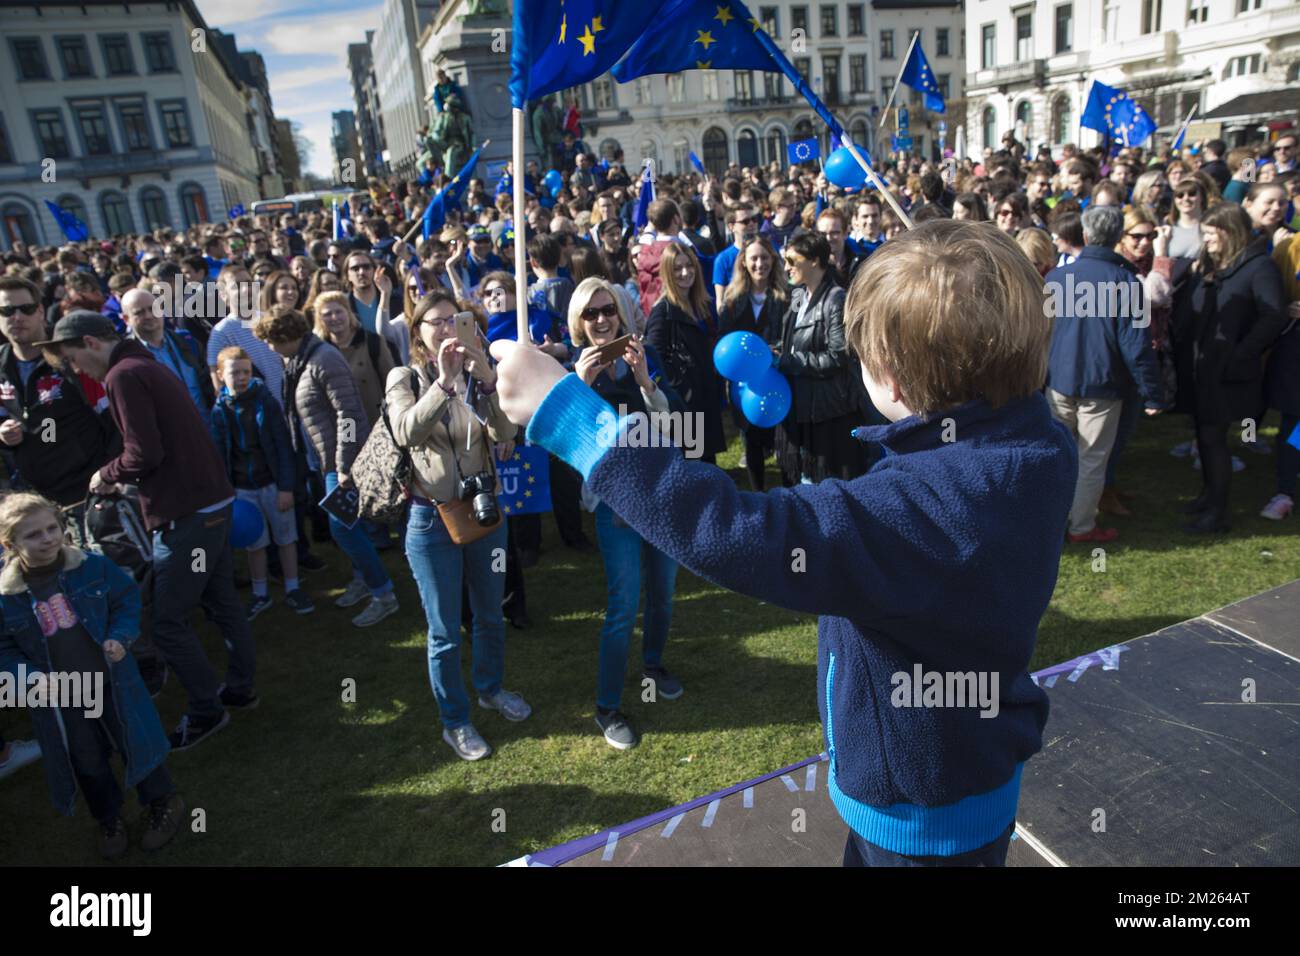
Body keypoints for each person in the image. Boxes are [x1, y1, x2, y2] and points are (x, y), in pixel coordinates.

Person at [488, 219, 1079, 867]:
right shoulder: (1038, 444)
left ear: (895, 380)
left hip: (917, 820)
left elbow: (739, 533)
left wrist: (569, 416)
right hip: (969, 783)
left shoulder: (917, 509)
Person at [41, 312, 257, 751]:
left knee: (166, 620)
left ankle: (206, 711)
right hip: (210, 503)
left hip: (187, 512)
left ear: (90, 341)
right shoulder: (143, 364)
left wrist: (106, 474)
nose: (76, 369)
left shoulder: (124, 374)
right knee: (220, 601)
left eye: (74, 358)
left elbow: (143, 453)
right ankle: (238, 687)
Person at [384, 290, 530, 761]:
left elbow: (507, 433)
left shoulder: (477, 376)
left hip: (482, 509)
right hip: (430, 519)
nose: (447, 329)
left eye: (455, 320)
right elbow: (405, 430)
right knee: (445, 629)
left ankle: (490, 688)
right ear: (419, 334)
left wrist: (485, 379)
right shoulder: (403, 376)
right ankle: (455, 720)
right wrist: (444, 384)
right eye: (436, 323)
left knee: (490, 612)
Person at [0, 492, 184, 857]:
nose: (48, 538)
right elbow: (3, 650)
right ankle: (108, 816)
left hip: (113, 682)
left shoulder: (92, 566)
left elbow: (127, 599)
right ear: (10, 543)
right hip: (60, 697)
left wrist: (120, 635)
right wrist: (28, 679)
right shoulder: (6, 597)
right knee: (85, 758)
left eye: (53, 528)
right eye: (34, 534)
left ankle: (163, 802)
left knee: (135, 740)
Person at [568, 278, 685, 748]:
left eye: (607, 311)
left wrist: (643, 381)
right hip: (614, 507)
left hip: (657, 497)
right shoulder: (573, 373)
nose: (601, 320)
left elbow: (679, 424)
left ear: (620, 313)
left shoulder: (643, 357)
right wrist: (579, 387)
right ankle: (607, 706)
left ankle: (653, 665)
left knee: (664, 592)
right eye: (591, 314)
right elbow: (562, 441)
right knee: (623, 606)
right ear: (579, 322)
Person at [253, 306, 398, 626]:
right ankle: (364, 579)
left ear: (285, 336)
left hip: (341, 460)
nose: (267, 347)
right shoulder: (299, 361)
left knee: (341, 528)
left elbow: (349, 413)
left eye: (269, 340)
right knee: (351, 527)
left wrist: (345, 464)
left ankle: (383, 593)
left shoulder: (323, 359)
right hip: (323, 458)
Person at [1044, 205, 1164, 543]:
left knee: (1062, 456)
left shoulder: (1057, 278)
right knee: (1091, 461)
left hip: (1061, 382)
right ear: (1117, 238)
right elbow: (1137, 347)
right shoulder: (1127, 282)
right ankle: (1080, 527)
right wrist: (1153, 393)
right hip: (1100, 386)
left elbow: (1041, 334)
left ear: (1084, 236)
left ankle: (1055, 522)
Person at [1170, 203, 1288, 532]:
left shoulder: (1258, 267)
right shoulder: (1214, 265)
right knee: (1203, 434)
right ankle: (1208, 496)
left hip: (1228, 369)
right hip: (1202, 364)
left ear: (1229, 232)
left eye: (1210, 234)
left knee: (1214, 437)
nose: (1205, 240)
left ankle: (1218, 511)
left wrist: (1244, 352)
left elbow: (1273, 315)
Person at [0, 277, 116, 539]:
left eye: (26, 309)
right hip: (39, 503)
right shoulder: (1, 364)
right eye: (7, 311)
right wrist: (3, 433)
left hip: (92, 492)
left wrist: (110, 475)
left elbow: (116, 419)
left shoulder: (70, 354)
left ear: (40, 311)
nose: (16, 317)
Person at [210, 346, 313, 619]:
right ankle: (260, 593)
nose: (242, 377)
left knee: (286, 537)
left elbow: (282, 446)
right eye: (235, 372)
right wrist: (226, 491)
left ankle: (292, 587)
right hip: (242, 488)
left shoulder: (265, 401)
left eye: (246, 371)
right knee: (254, 543)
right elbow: (219, 452)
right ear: (220, 375)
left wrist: (286, 487)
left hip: (272, 483)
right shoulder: (219, 410)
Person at [775, 233, 869, 483]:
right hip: (802, 404)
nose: (787, 267)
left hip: (829, 410)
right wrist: (778, 351)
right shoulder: (797, 296)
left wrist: (789, 361)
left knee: (831, 481)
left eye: (792, 261)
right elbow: (793, 339)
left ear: (815, 261)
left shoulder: (835, 299)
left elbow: (838, 356)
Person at [646, 242, 726, 464]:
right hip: (686, 409)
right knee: (696, 470)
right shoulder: (662, 312)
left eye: (689, 265)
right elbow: (653, 357)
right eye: (677, 268)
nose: (685, 272)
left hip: (707, 399)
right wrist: (682, 388)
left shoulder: (702, 305)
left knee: (709, 465)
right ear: (667, 274)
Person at [719, 237, 788, 490]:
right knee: (753, 442)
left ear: (773, 260)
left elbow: (790, 337)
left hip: (778, 381)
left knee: (783, 443)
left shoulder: (786, 297)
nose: (760, 264)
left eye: (765, 257)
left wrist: (774, 351)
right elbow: (725, 340)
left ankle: (790, 495)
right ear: (744, 263)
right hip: (744, 387)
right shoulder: (732, 300)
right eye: (754, 258)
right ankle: (759, 492)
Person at [120, 288, 214, 416]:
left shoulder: (188, 342)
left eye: (152, 309)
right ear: (126, 319)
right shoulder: (127, 358)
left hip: (208, 428)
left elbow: (208, 384)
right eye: (139, 313)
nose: (148, 315)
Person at [312, 291, 397, 427]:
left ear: (348, 312)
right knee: (351, 446)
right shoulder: (319, 352)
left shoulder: (372, 342)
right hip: (347, 424)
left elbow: (393, 382)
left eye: (339, 311)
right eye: (327, 314)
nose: (334, 317)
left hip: (378, 421)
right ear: (319, 320)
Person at [1261, 229, 1300, 519]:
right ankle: (1285, 490)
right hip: (1294, 348)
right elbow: (1270, 298)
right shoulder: (1288, 249)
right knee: (1294, 421)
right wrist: (1286, 307)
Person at [712, 204, 760, 313]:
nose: (752, 224)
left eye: (754, 219)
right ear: (731, 227)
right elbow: (720, 301)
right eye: (745, 221)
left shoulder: (768, 251)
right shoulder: (723, 259)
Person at [1167, 176, 1209, 260]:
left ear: (1202, 198)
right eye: (1180, 195)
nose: (1186, 198)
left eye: (1192, 194)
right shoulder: (1168, 230)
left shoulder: (1211, 228)